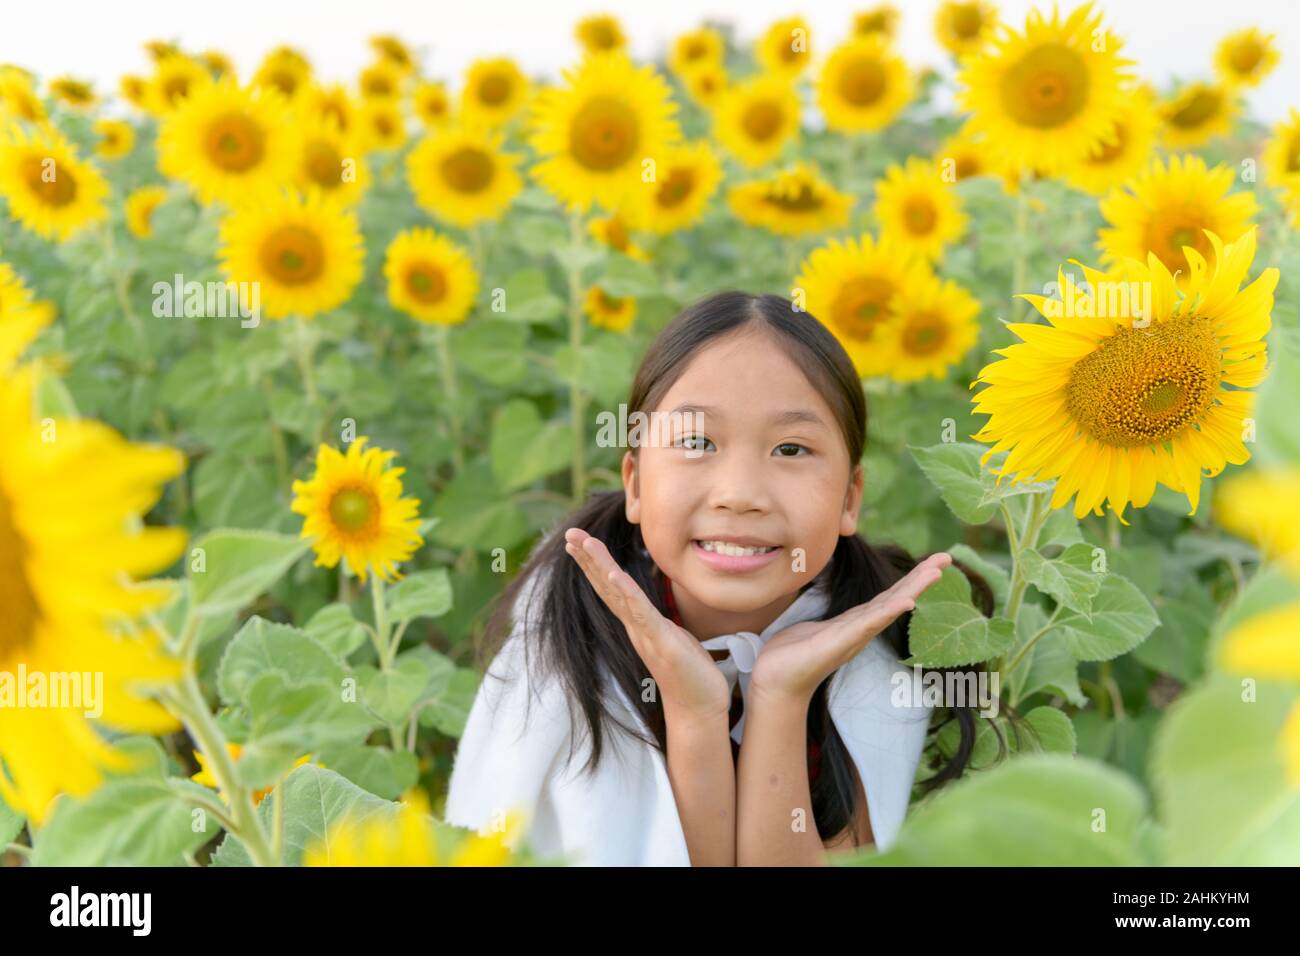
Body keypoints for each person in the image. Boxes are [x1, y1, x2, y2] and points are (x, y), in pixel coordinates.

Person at [444, 291, 991, 865]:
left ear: (850, 498)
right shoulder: (565, 647)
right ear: (634, 483)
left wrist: (781, 697)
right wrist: (692, 713)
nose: (740, 494)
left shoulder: (879, 666)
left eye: (790, 448)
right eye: (697, 442)